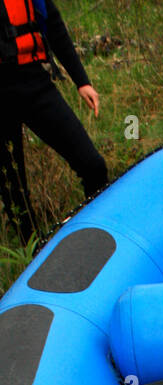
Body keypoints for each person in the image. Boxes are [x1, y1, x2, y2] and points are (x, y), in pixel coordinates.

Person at [0, 0, 105, 241]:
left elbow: (53, 22)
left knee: (93, 166)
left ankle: (97, 234)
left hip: (34, 82)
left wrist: (82, 81)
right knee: (15, 192)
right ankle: (33, 255)